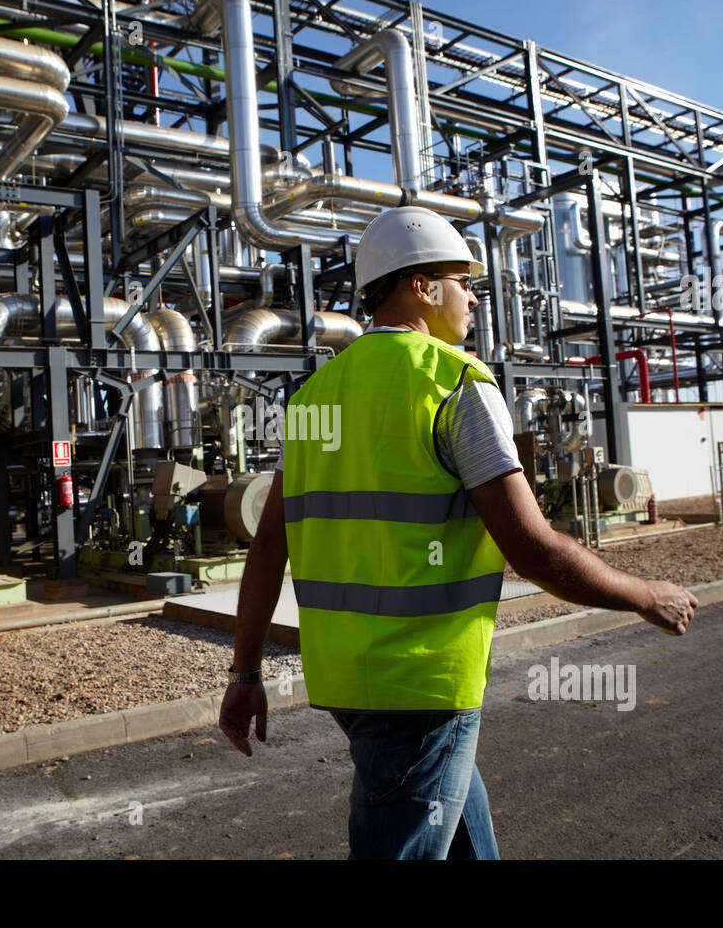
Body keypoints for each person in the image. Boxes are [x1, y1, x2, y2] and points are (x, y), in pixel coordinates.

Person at [218, 206, 698, 859]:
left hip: (347, 681)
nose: (473, 297)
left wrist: (246, 669)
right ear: (420, 285)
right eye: (463, 280)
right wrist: (645, 595)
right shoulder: (456, 385)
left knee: (465, 830)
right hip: (421, 685)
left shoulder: (314, 398)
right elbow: (531, 548)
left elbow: (269, 545)